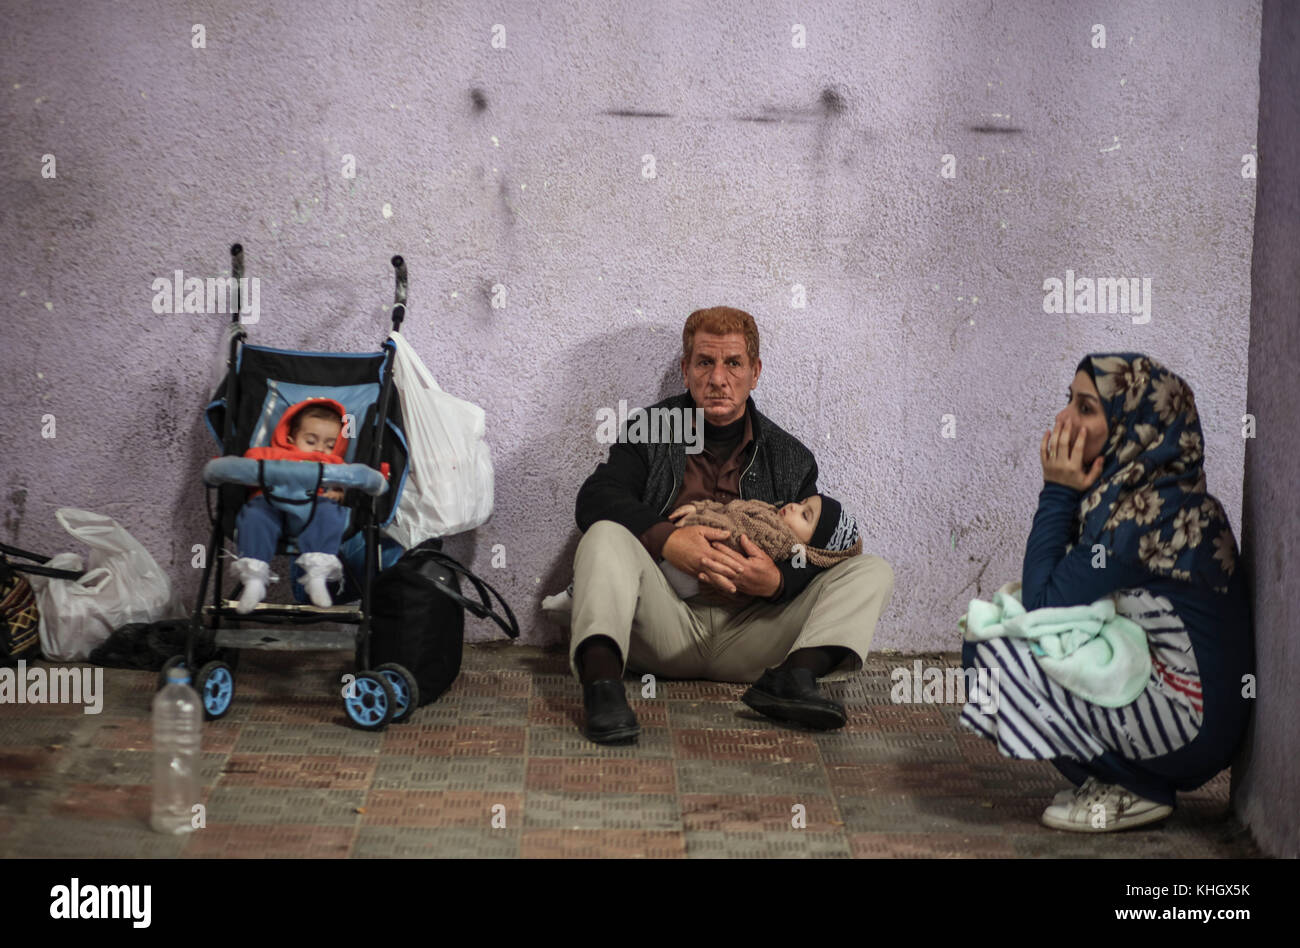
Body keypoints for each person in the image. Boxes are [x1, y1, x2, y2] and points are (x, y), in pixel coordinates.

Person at [569, 306, 894, 743]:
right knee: (604, 532)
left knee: (872, 570)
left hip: (753, 636)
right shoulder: (651, 429)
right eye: (705, 362)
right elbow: (596, 498)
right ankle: (602, 690)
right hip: (664, 626)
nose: (718, 378)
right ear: (685, 371)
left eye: (733, 363)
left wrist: (777, 582)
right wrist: (670, 541)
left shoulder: (789, 456)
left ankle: (793, 681)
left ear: (755, 372)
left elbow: (819, 554)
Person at [959, 353, 1254, 832]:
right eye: (1068, 402)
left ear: (1135, 426)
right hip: (1189, 716)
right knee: (1005, 626)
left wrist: (1056, 489)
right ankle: (1126, 779)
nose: (1063, 420)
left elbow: (1042, 606)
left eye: (1086, 408)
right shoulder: (1156, 496)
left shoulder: (1147, 513)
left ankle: (1134, 788)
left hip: (1189, 727)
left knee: (991, 649)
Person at [230, 398, 352, 612]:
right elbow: (248, 465)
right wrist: (261, 472)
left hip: (312, 512)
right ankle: (255, 581)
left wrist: (338, 494)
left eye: (330, 445)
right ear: (291, 438)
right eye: (311, 441)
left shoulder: (335, 465)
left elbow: (347, 484)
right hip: (271, 506)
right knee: (255, 514)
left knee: (331, 512)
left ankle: (317, 575)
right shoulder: (272, 454)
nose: (320, 450)